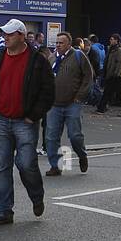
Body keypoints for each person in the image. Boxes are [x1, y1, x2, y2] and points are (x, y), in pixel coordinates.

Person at [0, 18, 52, 225]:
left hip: (25, 121)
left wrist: (33, 115)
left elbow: (47, 92)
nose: (6, 37)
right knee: (0, 166)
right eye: (4, 34)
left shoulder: (37, 60)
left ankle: (36, 196)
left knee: (26, 164)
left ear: (22, 35)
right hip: (1, 119)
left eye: (10, 34)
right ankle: (3, 211)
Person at [45, 31, 92, 176]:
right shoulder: (52, 58)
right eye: (57, 42)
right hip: (54, 104)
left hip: (73, 103)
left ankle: (82, 155)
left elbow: (88, 76)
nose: (58, 45)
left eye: (61, 43)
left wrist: (80, 96)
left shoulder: (78, 56)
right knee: (51, 136)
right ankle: (56, 165)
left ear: (69, 44)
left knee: (75, 135)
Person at [102, 34, 121, 115]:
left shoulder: (120, 51)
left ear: (116, 40)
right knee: (107, 92)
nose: (110, 40)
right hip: (110, 74)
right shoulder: (111, 50)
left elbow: (120, 64)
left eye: (112, 39)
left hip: (116, 76)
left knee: (120, 93)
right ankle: (101, 108)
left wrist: (116, 74)